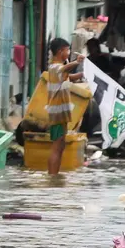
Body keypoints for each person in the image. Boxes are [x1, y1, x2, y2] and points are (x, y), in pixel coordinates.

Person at [44, 38, 83, 175]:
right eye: (67, 50)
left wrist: (85, 73)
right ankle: (52, 175)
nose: (69, 52)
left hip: (62, 114)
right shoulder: (55, 67)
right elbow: (64, 69)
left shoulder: (59, 69)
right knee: (56, 146)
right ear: (61, 51)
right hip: (57, 114)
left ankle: (55, 174)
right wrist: (77, 62)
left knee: (60, 146)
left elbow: (70, 76)